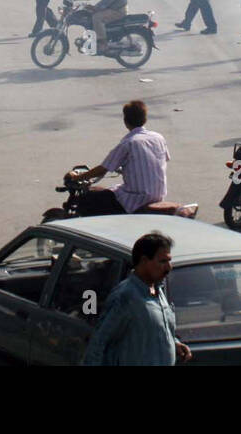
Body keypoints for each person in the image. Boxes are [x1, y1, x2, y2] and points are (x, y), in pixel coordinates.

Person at [83, 231, 191, 367]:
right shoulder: (126, 297)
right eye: (163, 261)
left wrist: (174, 343)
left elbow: (151, 330)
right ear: (144, 261)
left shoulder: (157, 291)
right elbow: (98, 343)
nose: (169, 267)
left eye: (169, 261)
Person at [65, 101, 171, 216]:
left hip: (135, 199)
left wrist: (78, 177)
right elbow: (159, 160)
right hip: (158, 195)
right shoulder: (158, 138)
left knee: (88, 198)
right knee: (111, 191)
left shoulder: (128, 143)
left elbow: (103, 169)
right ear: (144, 119)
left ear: (125, 121)